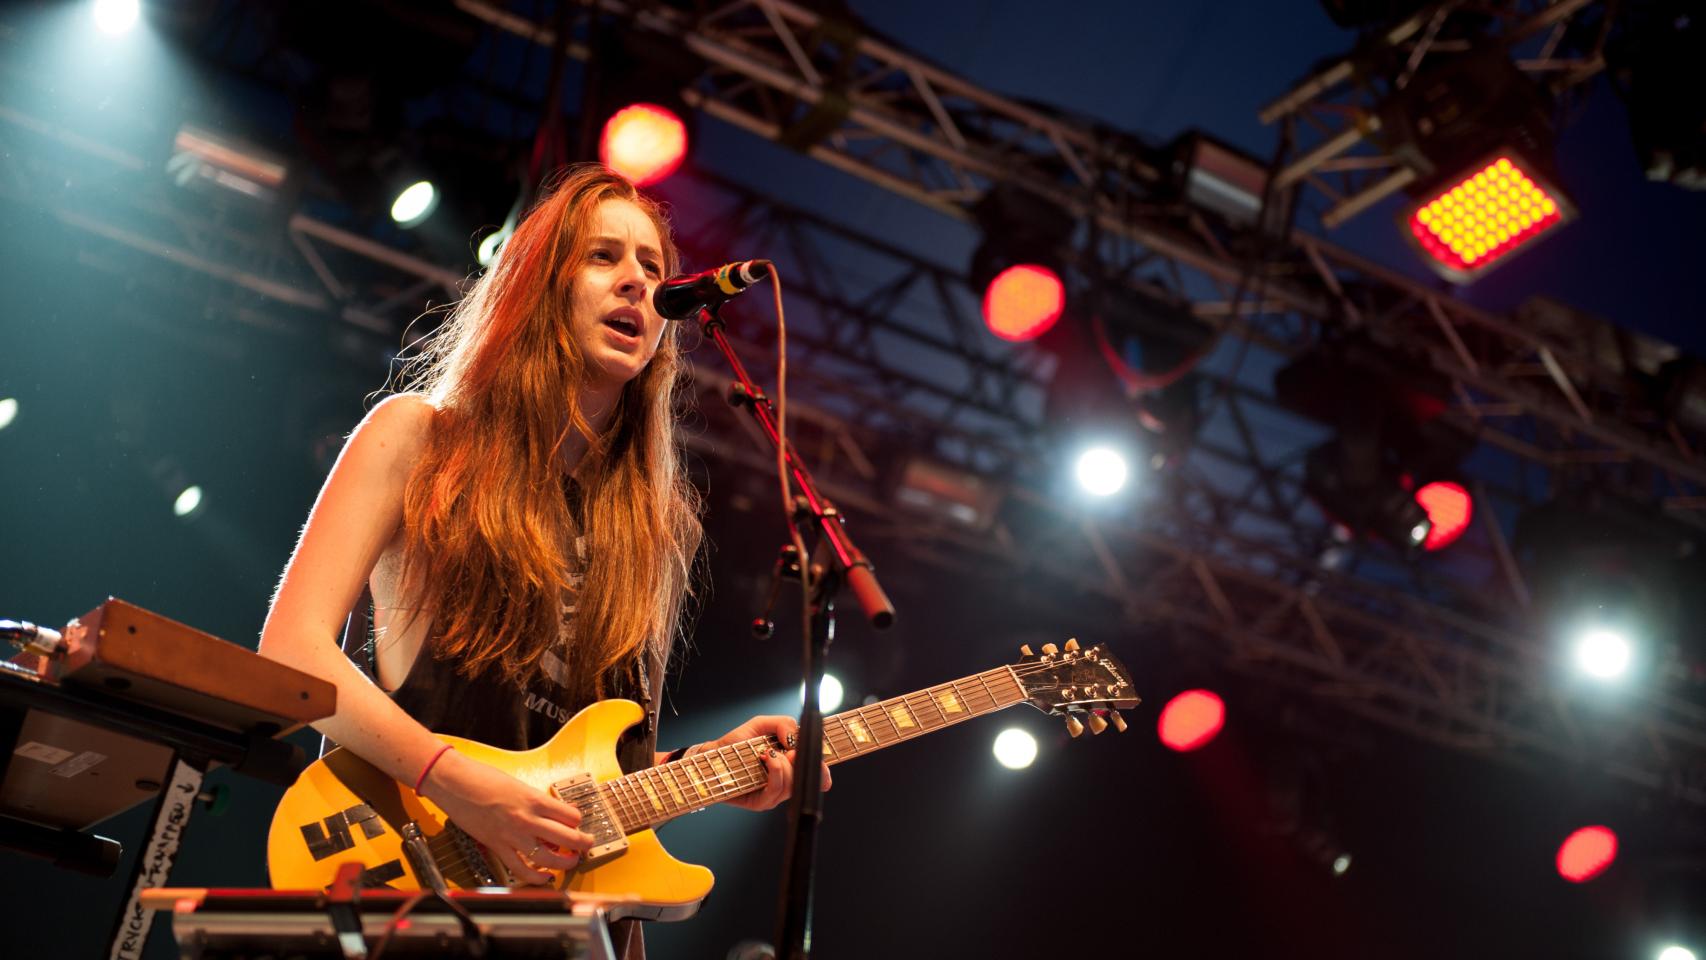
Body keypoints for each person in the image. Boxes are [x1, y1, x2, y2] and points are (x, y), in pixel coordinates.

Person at [258, 164, 828, 957]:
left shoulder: (656, 530)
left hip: (567, 928)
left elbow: (579, 757)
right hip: (408, 873)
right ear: (537, 286)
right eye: (603, 256)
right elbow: (290, 653)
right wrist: (458, 785)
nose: (637, 282)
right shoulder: (418, 439)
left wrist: (700, 765)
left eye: (652, 266)